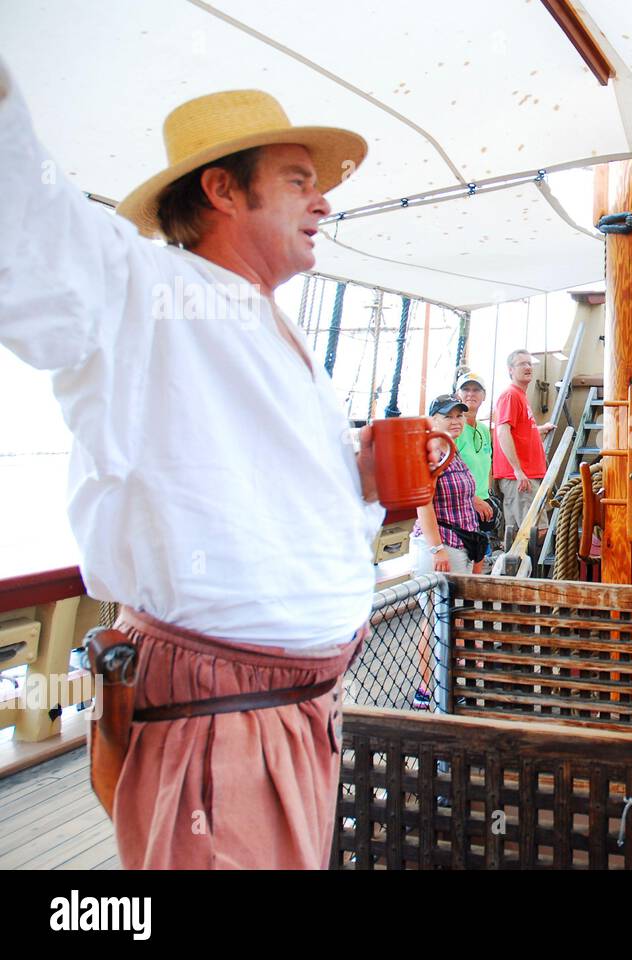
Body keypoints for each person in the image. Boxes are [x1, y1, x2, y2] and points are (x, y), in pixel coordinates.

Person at [0, 69, 414, 868]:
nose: (323, 201)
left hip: (297, 711)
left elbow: (267, 486)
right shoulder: (141, 291)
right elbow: (32, 232)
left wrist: (357, 477)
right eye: (299, 181)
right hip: (224, 723)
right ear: (223, 189)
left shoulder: (265, 323)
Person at [412, 395, 488, 577]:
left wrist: (473, 498)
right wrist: (437, 549)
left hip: (463, 544)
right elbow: (423, 504)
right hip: (443, 544)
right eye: (448, 417)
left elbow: (451, 485)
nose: (456, 421)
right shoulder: (429, 455)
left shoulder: (451, 451)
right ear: (433, 421)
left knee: (461, 605)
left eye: (459, 416)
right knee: (444, 605)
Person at [492, 349, 555, 545]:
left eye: (529, 363)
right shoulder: (510, 396)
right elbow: (503, 432)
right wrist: (518, 471)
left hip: (526, 476)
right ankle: (531, 575)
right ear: (510, 370)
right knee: (536, 534)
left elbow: (521, 430)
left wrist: (540, 429)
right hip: (520, 478)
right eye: (522, 364)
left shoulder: (520, 396)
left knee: (519, 534)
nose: (528, 367)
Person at [454, 371, 495, 569]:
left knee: (481, 561)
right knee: (466, 563)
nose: (471, 394)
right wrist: (472, 498)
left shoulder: (484, 430)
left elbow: (487, 463)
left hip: (483, 504)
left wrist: (487, 494)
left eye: (476, 390)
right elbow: (448, 472)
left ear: (484, 395)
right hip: (464, 504)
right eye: (466, 389)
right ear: (458, 394)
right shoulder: (455, 430)